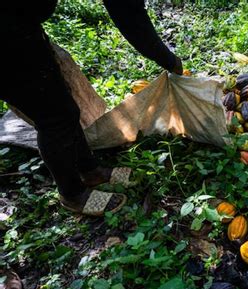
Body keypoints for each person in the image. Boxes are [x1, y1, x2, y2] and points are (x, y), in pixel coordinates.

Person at [0, 0, 183, 216]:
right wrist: (170, 61)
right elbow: (128, 14)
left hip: (18, 22)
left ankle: (89, 169)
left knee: (64, 105)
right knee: (54, 117)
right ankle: (72, 194)